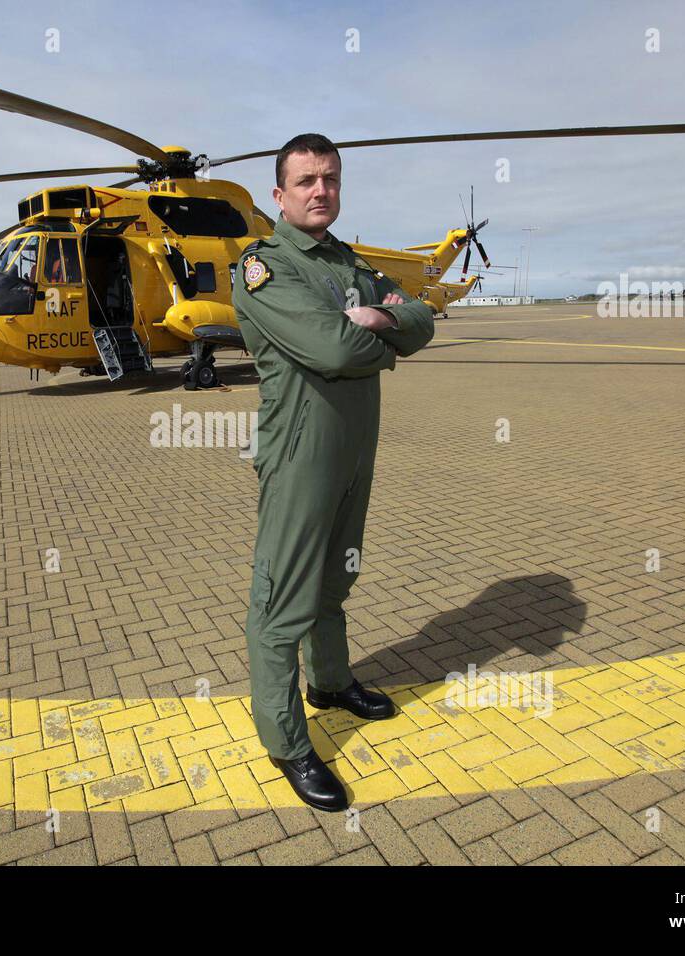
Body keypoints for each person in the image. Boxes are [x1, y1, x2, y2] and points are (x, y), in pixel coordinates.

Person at [232, 133, 435, 812]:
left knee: (337, 575)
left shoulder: (351, 262)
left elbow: (422, 318)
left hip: (353, 450)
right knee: (282, 598)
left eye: (332, 179)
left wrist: (378, 316)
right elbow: (331, 346)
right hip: (299, 457)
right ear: (280, 194)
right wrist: (376, 342)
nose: (322, 191)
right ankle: (286, 739)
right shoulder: (265, 268)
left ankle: (330, 682)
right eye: (308, 180)